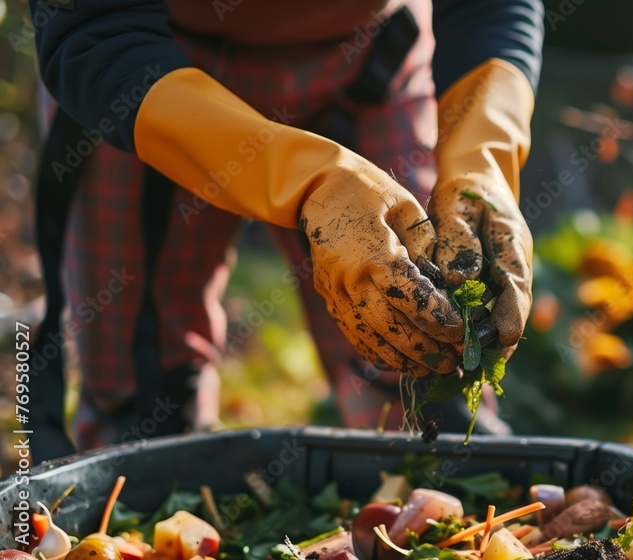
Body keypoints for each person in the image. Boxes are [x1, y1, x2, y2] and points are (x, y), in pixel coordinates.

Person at [27, 0, 542, 461]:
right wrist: (305, 179)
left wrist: (482, 160)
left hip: (367, 57)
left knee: (430, 362)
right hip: (149, 70)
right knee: (145, 405)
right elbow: (90, 27)